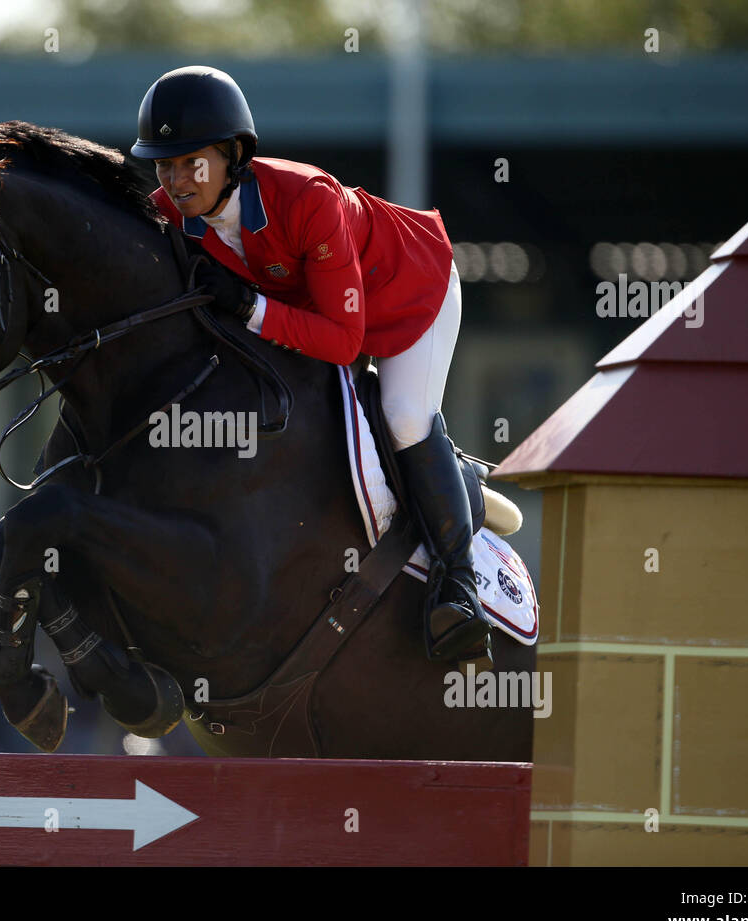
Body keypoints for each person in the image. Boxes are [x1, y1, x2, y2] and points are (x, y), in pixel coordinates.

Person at [130, 65, 491, 662]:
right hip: (313, 311)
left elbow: (346, 343)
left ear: (232, 155)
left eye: (189, 162)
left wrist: (249, 308)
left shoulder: (308, 199)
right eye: (163, 165)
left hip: (408, 291)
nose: (174, 179)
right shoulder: (170, 214)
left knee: (402, 414)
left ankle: (459, 582)